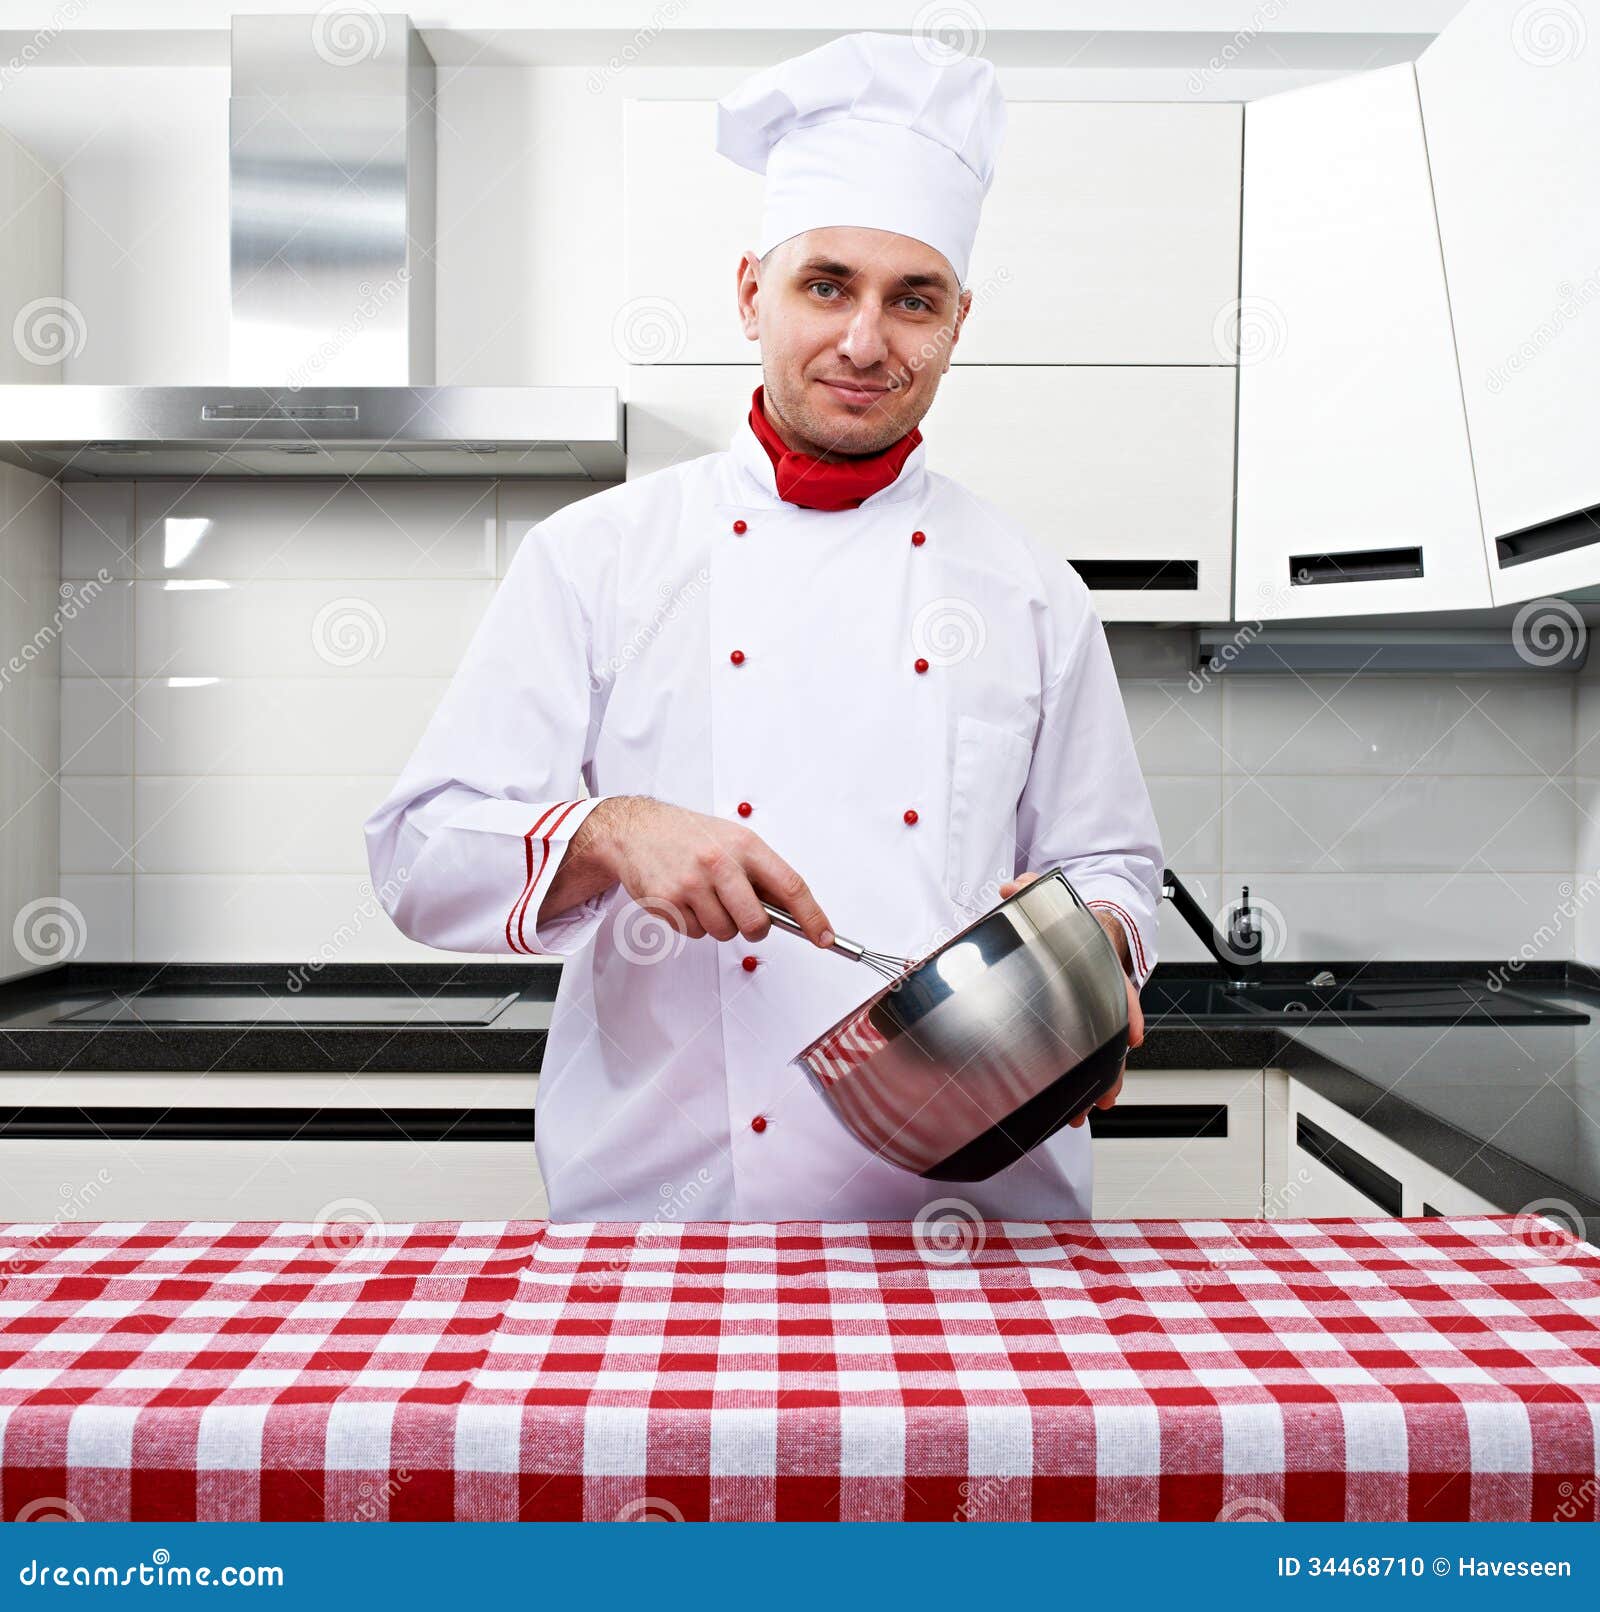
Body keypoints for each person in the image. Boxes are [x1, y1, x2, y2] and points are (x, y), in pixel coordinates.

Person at [363, 32, 1165, 1221]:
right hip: (672, 1211)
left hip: (979, 1220)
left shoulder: (1029, 587)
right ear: (752, 292)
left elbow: (1112, 867)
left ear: (956, 322)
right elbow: (419, 855)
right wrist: (609, 831)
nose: (862, 341)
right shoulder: (595, 558)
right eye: (826, 284)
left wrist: (1092, 938)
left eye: (914, 301)